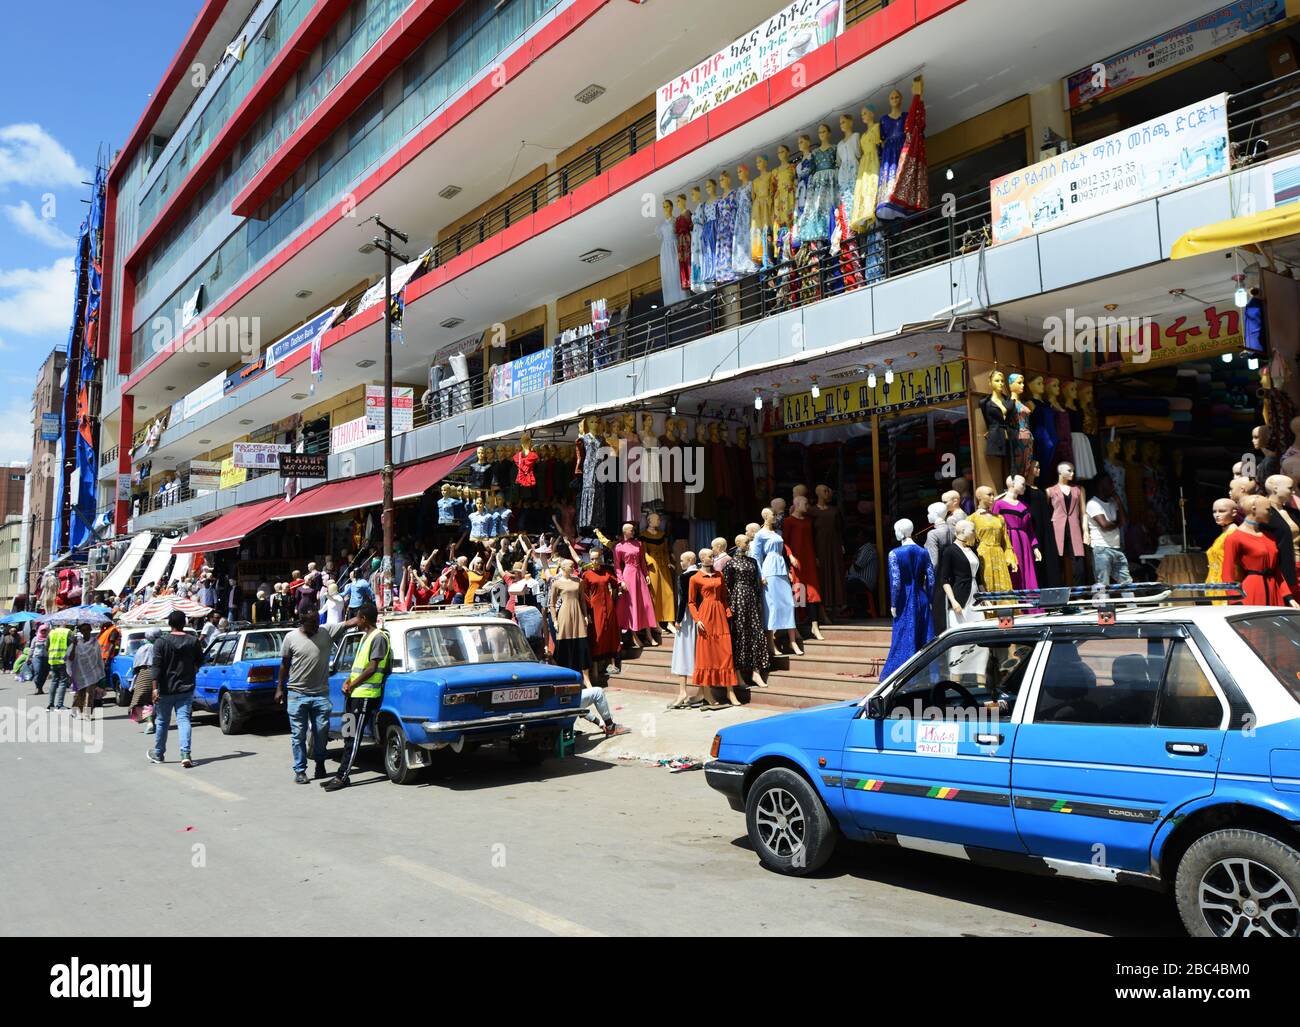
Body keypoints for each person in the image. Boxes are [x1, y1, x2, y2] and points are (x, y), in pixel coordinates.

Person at [277, 610, 354, 784]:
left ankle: (320, 762)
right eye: (312, 624)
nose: (316, 627)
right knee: (298, 735)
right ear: (302, 623)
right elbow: (284, 665)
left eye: (317, 623)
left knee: (321, 732)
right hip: (297, 694)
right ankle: (300, 770)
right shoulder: (290, 638)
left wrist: (369, 616)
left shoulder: (325, 631)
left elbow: (349, 623)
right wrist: (279, 688)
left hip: (320, 694)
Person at [322, 603, 390, 792]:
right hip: (353, 695)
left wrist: (352, 684)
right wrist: (349, 682)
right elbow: (359, 666)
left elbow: (372, 668)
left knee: (354, 738)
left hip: (366, 696)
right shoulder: (364, 637)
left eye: (357, 618)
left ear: (364, 619)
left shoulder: (378, 637)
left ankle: (342, 776)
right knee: (348, 733)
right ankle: (340, 774)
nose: (355, 621)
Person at [149, 610, 205, 767]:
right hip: (185, 688)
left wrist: (154, 688)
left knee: (162, 721)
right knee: (183, 720)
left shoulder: (161, 642)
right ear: (184, 623)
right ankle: (185, 753)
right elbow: (200, 661)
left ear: (169, 623)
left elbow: (156, 667)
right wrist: (193, 669)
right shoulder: (193, 641)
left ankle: (159, 753)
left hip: (165, 688)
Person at [1086, 474, 1132, 591]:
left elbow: (1125, 521)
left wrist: (1119, 501)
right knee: (1102, 585)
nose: (1113, 486)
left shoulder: (1112, 502)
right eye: (1110, 483)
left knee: (1126, 582)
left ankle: (1132, 607)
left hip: (1116, 548)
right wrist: (1117, 523)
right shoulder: (1093, 504)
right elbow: (1105, 525)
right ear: (1101, 485)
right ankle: (1104, 609)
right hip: (1101, 549)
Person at [67, 623, 106, 718]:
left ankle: (87, 714)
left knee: (90, 693)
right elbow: (70, 658)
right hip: (79, 673)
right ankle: (75, 709)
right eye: (83, 630)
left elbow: (98, 657)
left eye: (87, 630)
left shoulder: (94, 642)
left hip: (92, 671)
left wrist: (100, 668)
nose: (85, 632)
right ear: (80, 632)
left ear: (90, 630)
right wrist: (74, 646)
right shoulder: (77, 643)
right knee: (79, 693)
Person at [130, 628, 160, 731]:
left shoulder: (142, 648)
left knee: (141, 701)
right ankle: (154, 722)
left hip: (143, 674)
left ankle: (150, 722)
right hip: (158, 675)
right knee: (154, 700)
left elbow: (136, 665)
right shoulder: (159, 648)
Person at [45, 622, 73, 710]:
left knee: (54, 681)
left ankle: (51, 704)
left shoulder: (51, 632)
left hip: (53, 659)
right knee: (63, 682)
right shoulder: (68, 632)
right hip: (63, 660)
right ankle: (60, 705)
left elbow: (46, 646)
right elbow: (72, 646)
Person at [28, 623, 50, 695]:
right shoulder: (35, 638)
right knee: (38, 671)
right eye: (42, 630)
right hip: (36, 657)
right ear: (39, 630)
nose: (43, 632)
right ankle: (37, 686)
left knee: (44, 673)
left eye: (45, 630)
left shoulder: (49, 638)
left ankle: (40, 688)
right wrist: (29, 657)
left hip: (46, 657)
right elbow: (32, 648)